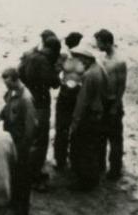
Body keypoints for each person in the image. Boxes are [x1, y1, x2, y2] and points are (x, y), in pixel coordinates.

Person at [17, 33, 61, 186]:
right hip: (40, 104)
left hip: (26, 100)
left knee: (27, 137)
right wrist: (57, 69)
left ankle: (23, 170)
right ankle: (34, 175)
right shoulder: (44, 62)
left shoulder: (29, 55)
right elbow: (55, 83)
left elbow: (19, 73)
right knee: (40, 141)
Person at [0, 67, 37, 215]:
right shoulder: (12, 94)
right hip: (12, 140)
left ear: (15, 80)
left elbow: (30, 126)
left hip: (21, 144)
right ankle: (14, 203)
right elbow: (7, 110)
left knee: (22, 178)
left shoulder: (26, 98)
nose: (6, 86)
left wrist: (23, 147)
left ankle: (22, 212)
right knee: (13, 175)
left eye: (8, 83)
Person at [67, 49, 107, 189]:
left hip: (88, 116)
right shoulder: (100, 67)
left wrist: (75, 121)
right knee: (93, 147)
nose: (79, 61)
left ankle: (85, 181)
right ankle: (94, 175)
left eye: (81, 58)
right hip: (98, 113)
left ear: (86, 59)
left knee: (83, 149)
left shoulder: (89, 75)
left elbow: (82, 101)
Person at [93, 29, 127, 180]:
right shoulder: (102, 57)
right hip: (103, 100)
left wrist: (115, 106)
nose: (97, 45)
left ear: (107, 42)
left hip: (113, 101)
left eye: (99, 42)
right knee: (100, 135)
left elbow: (121, 86)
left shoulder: (119, 62)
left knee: (115, 138)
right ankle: (100, 164)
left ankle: (115, 169)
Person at [52, 31, 84, 172]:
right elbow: (55, 71)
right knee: (63, 127)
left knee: (68, 127)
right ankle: (62, 159)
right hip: (70, 92)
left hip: (72, 92)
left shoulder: (81, 57)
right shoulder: (66, 57)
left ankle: (65, 159)